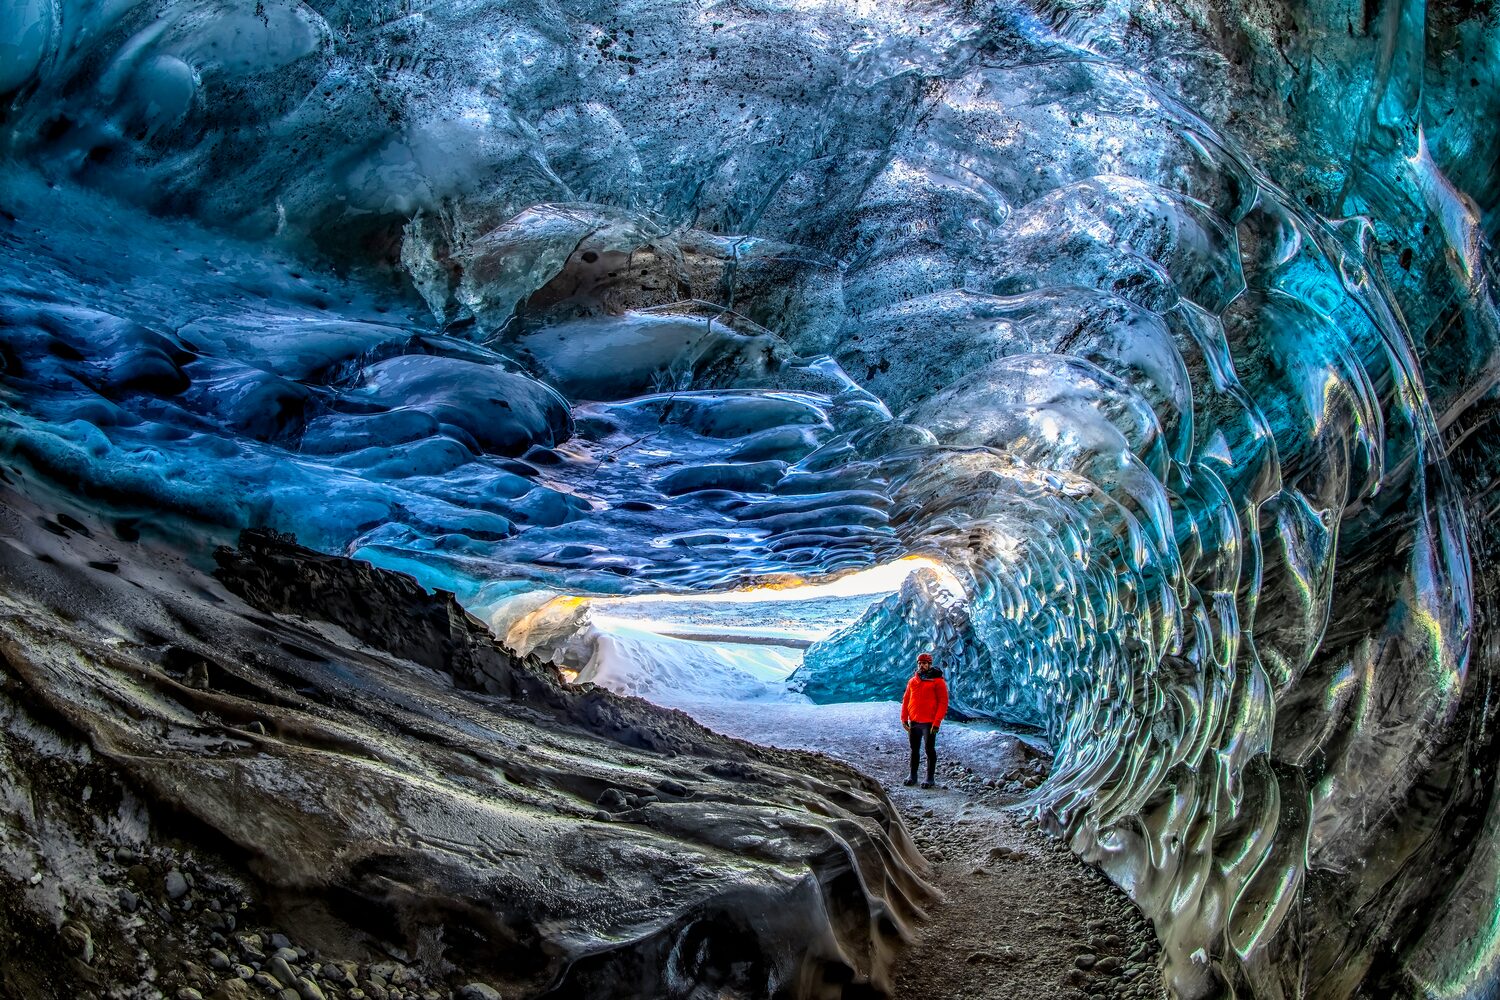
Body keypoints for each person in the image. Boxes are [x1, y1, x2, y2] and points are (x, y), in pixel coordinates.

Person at [901, 652, 948, 788]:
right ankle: (913, 775)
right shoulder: (912, 681)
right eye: (920, 663)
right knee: (914, 749)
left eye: (925, 663)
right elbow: (906, 700)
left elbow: (943, 703)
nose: (922, 666)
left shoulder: (938, 682)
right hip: (914, 722)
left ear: (929, 665)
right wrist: (904, 718)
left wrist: (937, 722)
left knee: (929, 749)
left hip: (929, 723)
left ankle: (929, 778)